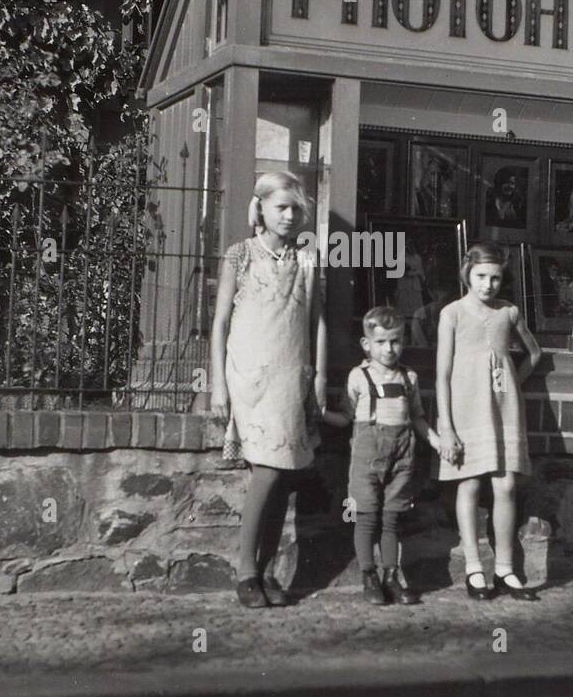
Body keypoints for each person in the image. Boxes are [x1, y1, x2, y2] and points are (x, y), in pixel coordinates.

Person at [210, 171, 326, 609]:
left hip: (290, 376)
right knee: (269, 471)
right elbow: (221, 322)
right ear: (260, 208)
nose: (290, 215)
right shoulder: (239, 256)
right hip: (249, 378)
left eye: (296, 208)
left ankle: (269, 570)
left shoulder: (308, 261)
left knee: (283, 475)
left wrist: (319, 379)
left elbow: (317, 321)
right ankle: (246, 571)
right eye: (281, 206)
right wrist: (218, 384)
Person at [435, 243, 543, 601]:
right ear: (467, 273)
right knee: (468, 485)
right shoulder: (452, 313)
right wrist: (446, 426)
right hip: (465, 409)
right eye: (481, 276)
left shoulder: (508, 312)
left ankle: (506, 569)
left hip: (501, 409)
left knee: (506, 485)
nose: (488, 285)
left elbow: (534, 353)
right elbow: (442, 374)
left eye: (495, 278)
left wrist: (512, 381)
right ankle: (473, 569)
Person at [324, 306, 447, 605]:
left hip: (402, 456)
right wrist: (321, 414)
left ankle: (391, 576)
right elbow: (346, 417)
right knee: (366, 518)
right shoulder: (358, 377)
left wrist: (436, 440)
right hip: (366, 456)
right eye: (380, 342)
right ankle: (370, 577)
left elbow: (417, 417)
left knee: (392, 520)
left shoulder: (409, 377)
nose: (389, 348)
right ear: (367, 344)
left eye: (395, 341)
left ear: (403, 341)